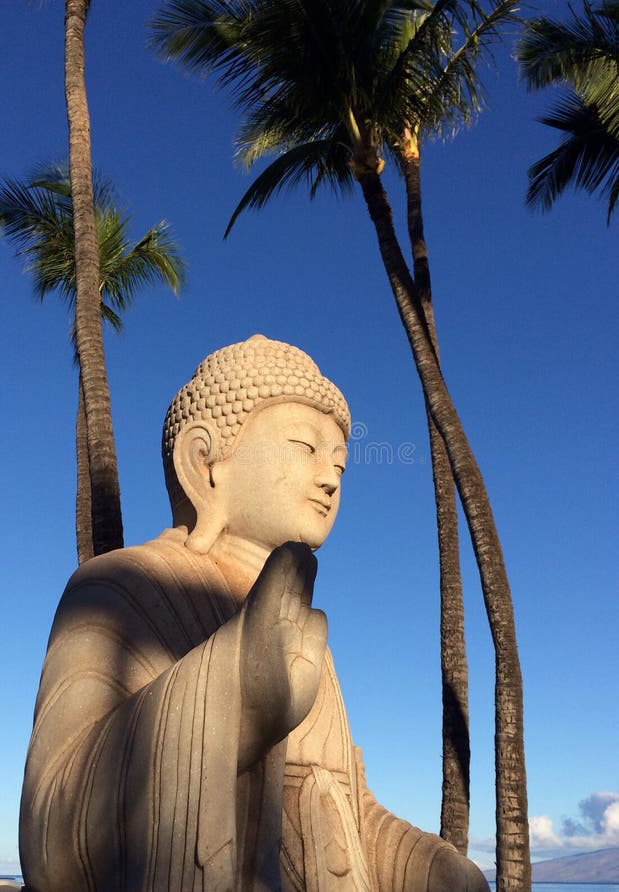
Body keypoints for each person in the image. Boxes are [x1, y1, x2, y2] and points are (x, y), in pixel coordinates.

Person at [20, 335, 489, 891]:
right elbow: (51, 834)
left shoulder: (301, 630)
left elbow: (346, 815)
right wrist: (233, 689)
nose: (330, 479)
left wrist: (427, 865)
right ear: (204, 463)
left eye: (340, 463)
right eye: (304, 448)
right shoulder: (122, 587)